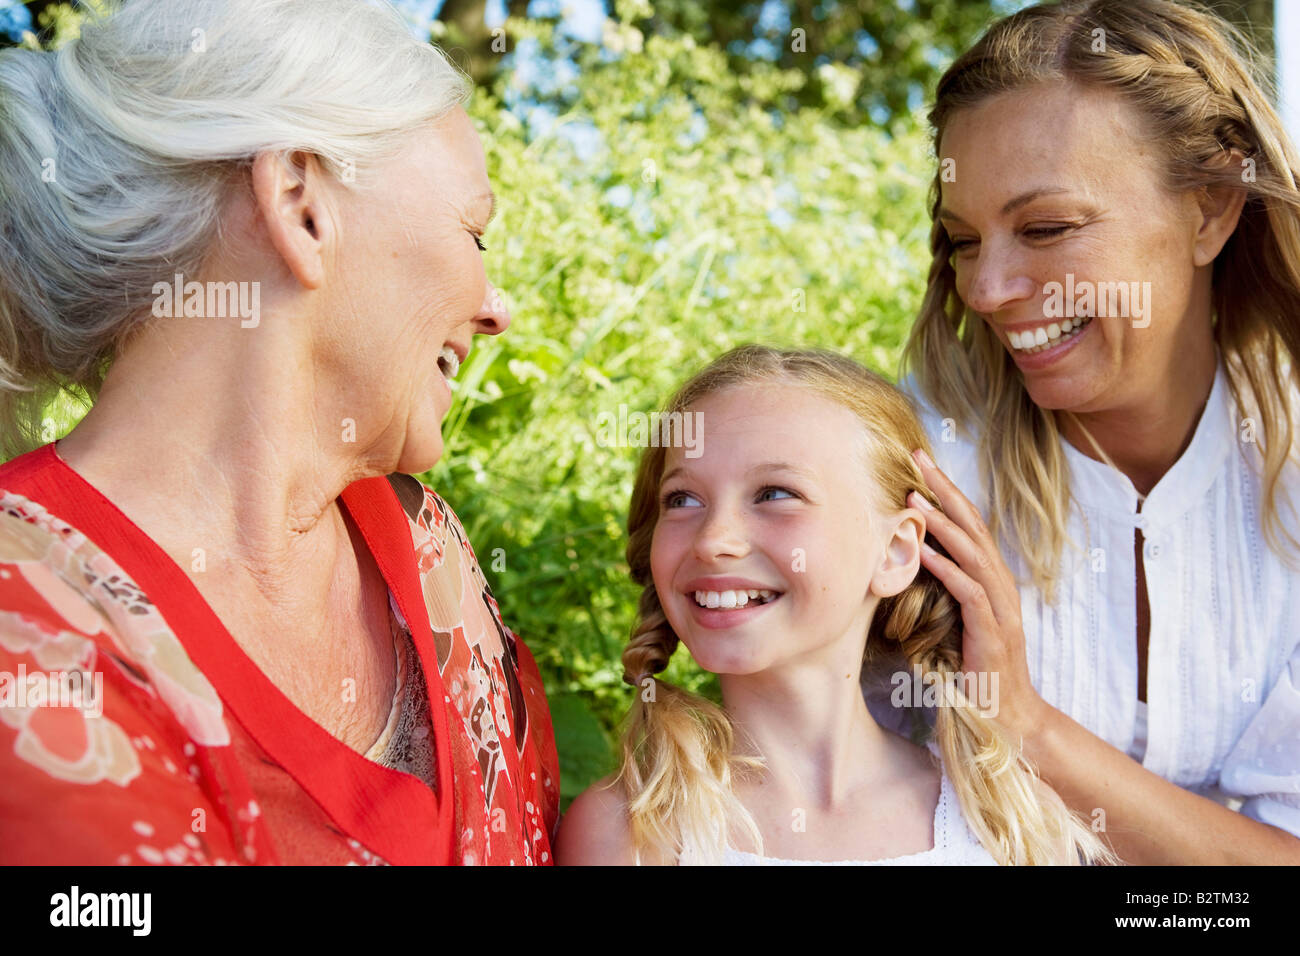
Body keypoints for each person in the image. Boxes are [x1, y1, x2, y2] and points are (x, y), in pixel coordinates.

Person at [0, 0, 558, 865]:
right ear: (299, 203)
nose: (497, 310)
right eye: (474, 231)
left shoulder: (427, 552)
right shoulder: (24, 626)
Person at [896, 0, 1300, 862]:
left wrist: (1028, 728)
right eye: (964, 240)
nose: (988, 289)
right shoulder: (925, 457)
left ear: (1213, 208)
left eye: (1046, 229)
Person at [556, 345, 1114, 865]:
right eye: (682, 499)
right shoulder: (628, 833)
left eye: (775, 494)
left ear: (896, 551)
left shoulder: (1006, 822)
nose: (712, 539)